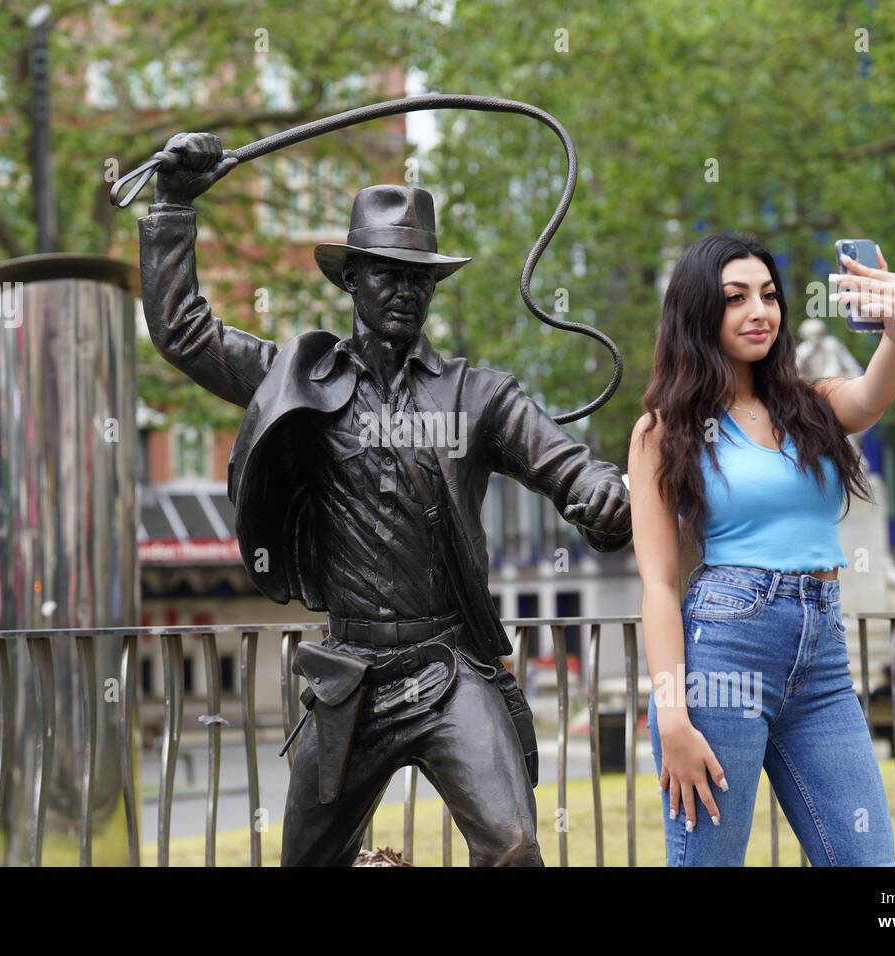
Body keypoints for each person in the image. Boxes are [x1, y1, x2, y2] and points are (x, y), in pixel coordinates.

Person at [137, 132, 632, 866]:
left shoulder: (477, 394)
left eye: (419, 277)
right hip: (351, 679)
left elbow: (564, 464)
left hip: (450, 669)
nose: (406, 291)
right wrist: (172, 208)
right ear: (353, 281)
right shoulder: (296, 382)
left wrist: (602, 494)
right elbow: (183, 333)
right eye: (388, 274)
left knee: (515, 848)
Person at [627, 232, 895, 866]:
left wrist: (894, 329)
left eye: (769, 295)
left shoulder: (811, 405)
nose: (760, 311)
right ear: (699, 312)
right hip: (722, 659)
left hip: (823, 662)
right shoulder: (663, 432)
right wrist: (673, 717)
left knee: (867, 860)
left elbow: (874, 395)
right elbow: (661, 584)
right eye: (735, 298)